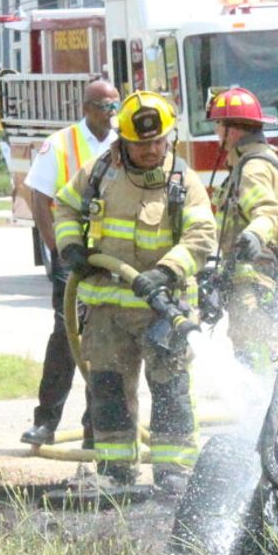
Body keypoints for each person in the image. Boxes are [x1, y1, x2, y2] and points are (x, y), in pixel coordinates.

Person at [53, 91, 217, 491]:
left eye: (159, 142)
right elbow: (65, 208)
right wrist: (72, 246)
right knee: (107, 391)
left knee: (171, 391)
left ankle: (174, 472)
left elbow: (202, 234)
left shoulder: (182, 180)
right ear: (123, 139)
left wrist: (166, 271)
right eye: (142, 144)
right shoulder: (98, 174)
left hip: (164, 311)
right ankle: (116, 472)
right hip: (106, 310)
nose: (151, 150)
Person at [20, 80, 120, 449]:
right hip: (72, 256)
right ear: (87, 108)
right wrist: (58, 250)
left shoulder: (122, 144)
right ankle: (45, 422)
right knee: (65, 338)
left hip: (112, 257)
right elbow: (40, 198)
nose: (112, 115)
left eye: (115, 107)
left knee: (105, 339)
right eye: (105, 107)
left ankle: (96, 427)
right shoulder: (60, 145)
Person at [206, 86, 278, 370]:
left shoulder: (252, 168)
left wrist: (254, 234)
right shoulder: (247, 162)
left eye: (218, 125)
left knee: (257, 344)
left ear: (232, 130)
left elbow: (267, 212)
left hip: (253, 279)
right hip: (245, 277)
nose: (217, 133)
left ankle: (266, 405)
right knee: (248, 341)